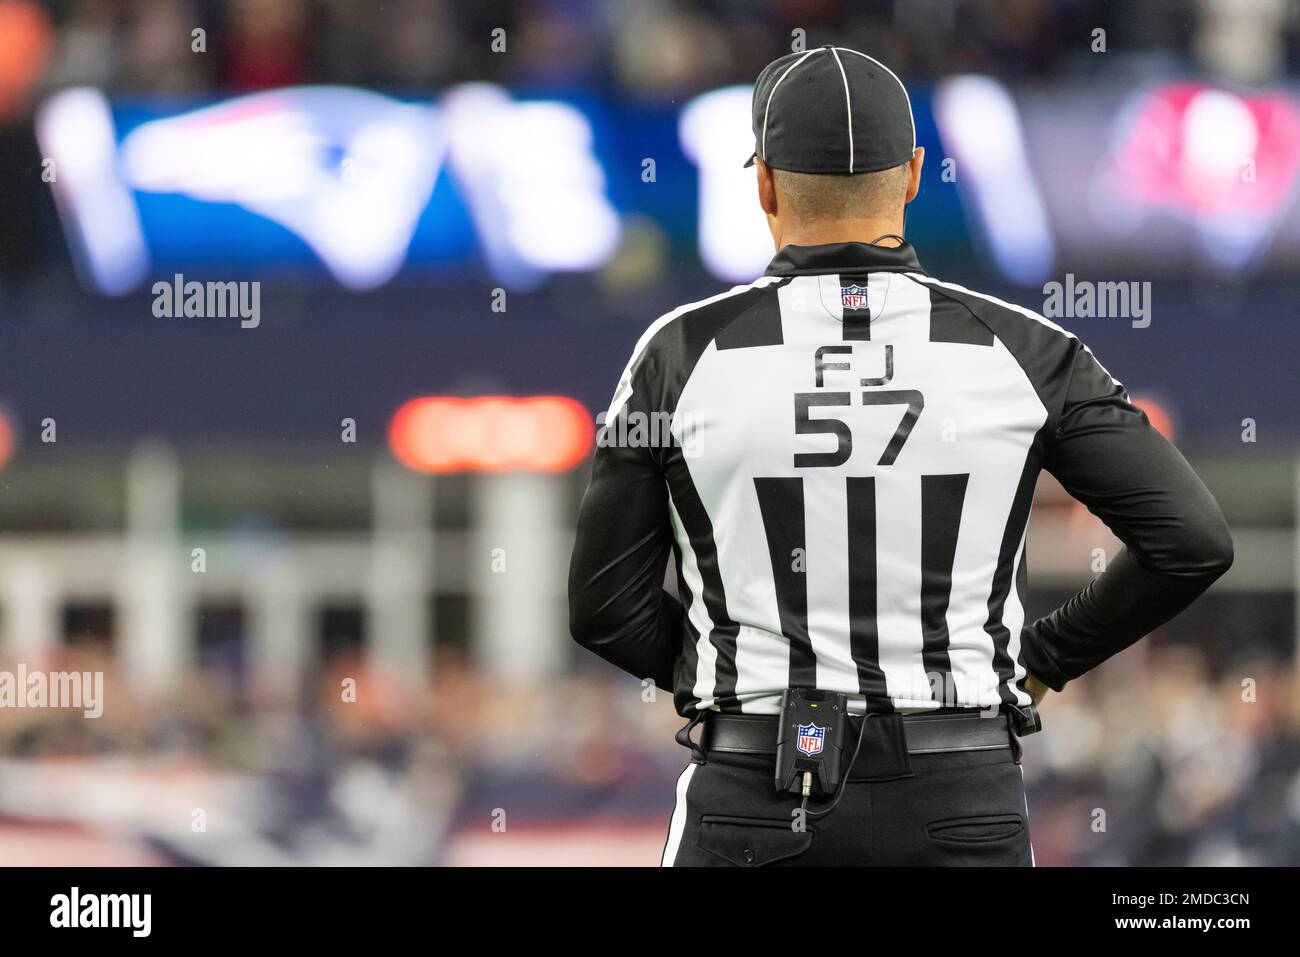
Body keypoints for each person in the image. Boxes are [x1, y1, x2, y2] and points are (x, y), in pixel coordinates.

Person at [567, 46, 1233, 866]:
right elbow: (1193, 540)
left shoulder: (677, 353)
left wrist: (729, 669)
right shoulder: (1024, 350)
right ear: (913, 175)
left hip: (755, 792)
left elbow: (604, 606)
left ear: (765, 185)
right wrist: (1045, 658)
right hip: (961, 794)